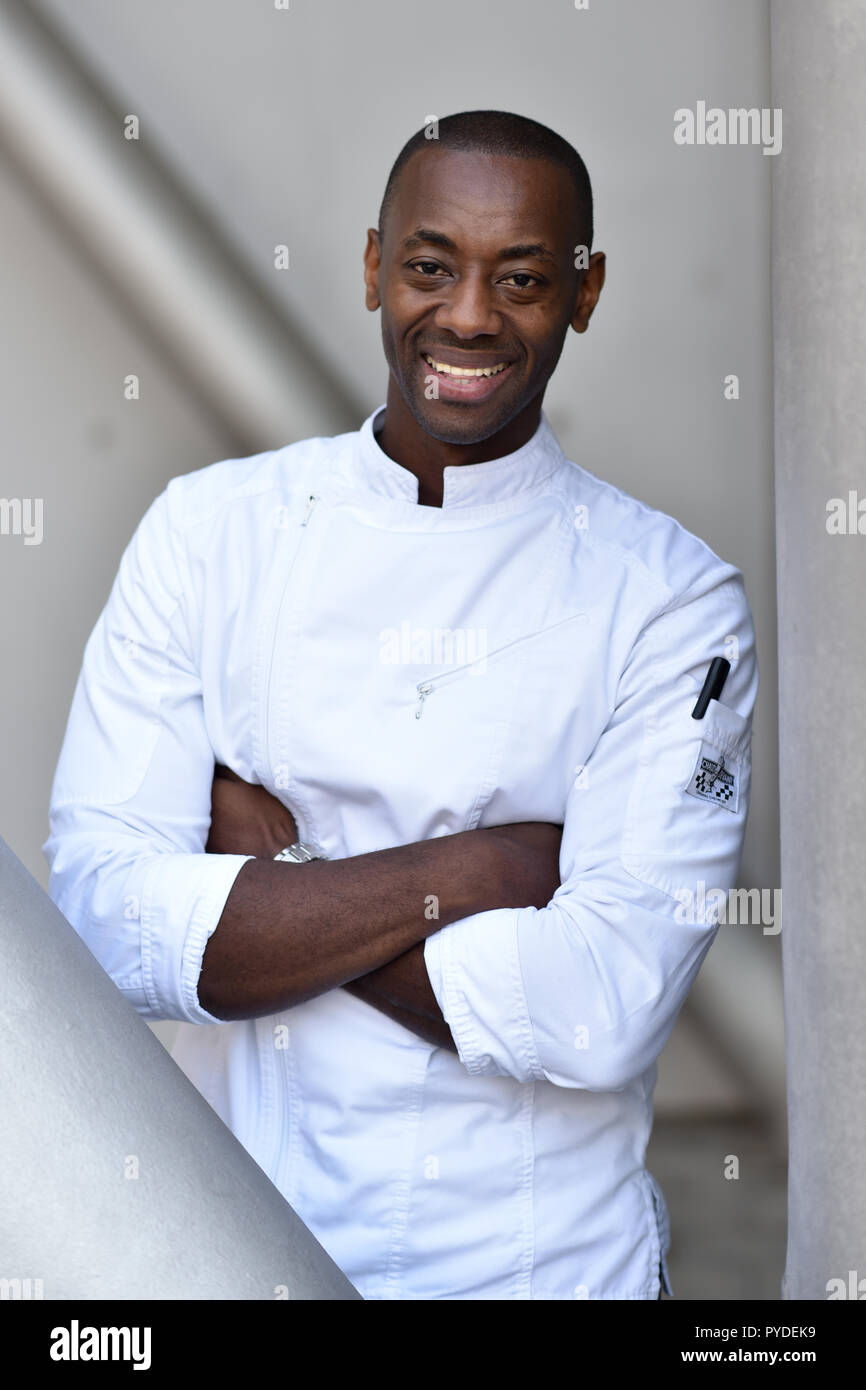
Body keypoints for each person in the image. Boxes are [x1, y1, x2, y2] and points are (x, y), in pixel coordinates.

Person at [43, 110, 757, 1300]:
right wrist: (477, 870)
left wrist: (277, 884)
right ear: (374, 265)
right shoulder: (208, 532)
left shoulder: (669, 600)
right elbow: (104, 926)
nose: (469, 316)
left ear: (583, 294)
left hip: (534, 1277)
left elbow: (599, 1007)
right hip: (237, 1255)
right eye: (431, 266)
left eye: (521, 278)